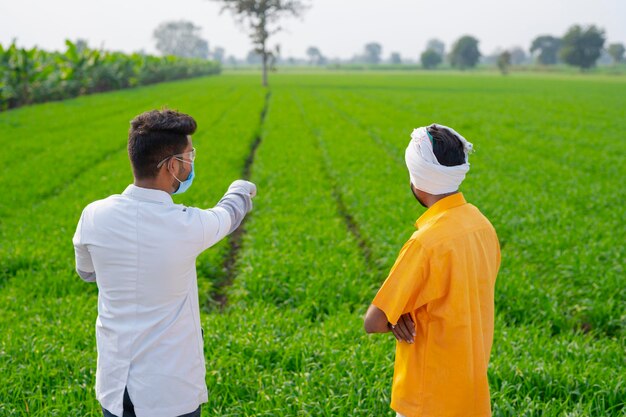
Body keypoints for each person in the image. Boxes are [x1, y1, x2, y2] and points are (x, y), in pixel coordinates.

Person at [73, 109, 257, 417]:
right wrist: (241, 186)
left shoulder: (93, 214)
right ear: (172, 165)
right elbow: (231, 212)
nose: (191, 164)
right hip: (170, 392)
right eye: (190, 157)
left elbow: (87, 273)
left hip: (115, 387)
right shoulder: (187, 225)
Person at [364, 124, 501, 417]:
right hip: (471, 393)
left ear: (418, 181)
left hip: (427, 399)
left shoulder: (425, 244)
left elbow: (373, 322)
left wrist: (396, 316)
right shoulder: (482, 226)